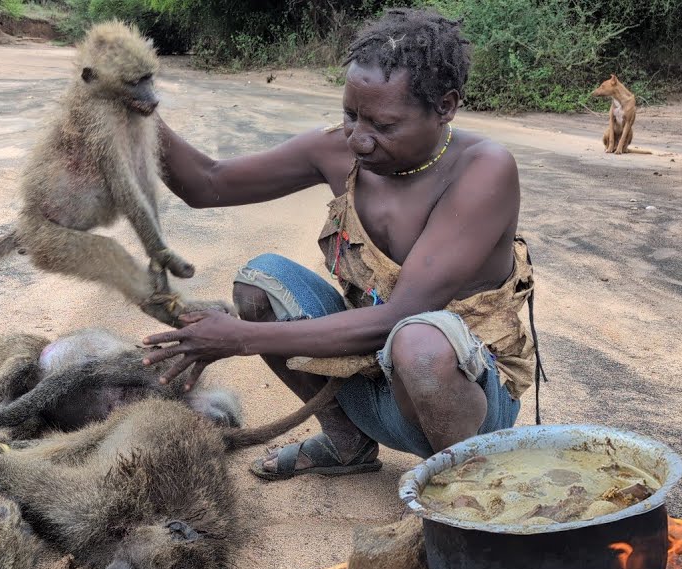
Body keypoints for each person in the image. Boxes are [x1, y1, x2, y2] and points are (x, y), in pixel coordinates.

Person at [142, 8, 542, 479]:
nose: (359, 140)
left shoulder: (483, 169)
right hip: (372, 380)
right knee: (260, 281)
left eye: (384, 126)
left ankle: (464, 488)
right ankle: (347, 443)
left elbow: (399, 317)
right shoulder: (337, 149)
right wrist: (136, 106)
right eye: (351, 115)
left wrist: (239, 338)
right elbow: (207, 183)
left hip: (464, 402)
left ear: (445, 107)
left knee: (418, 341)